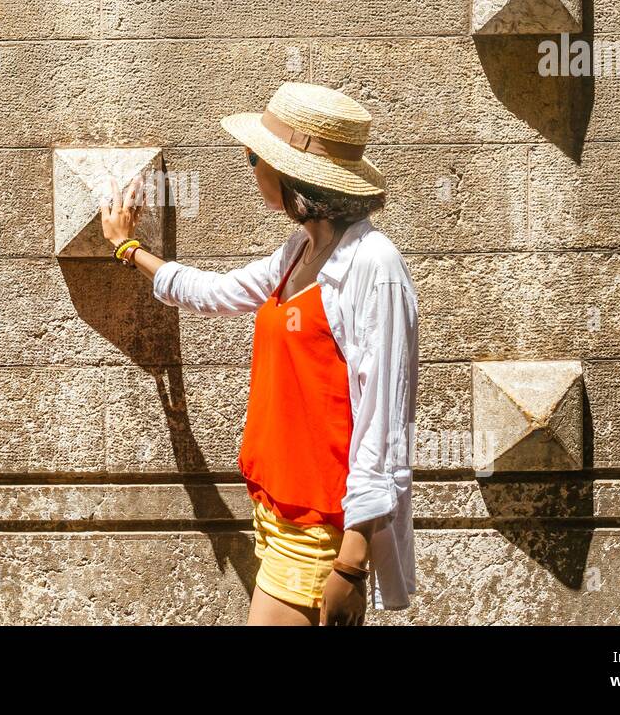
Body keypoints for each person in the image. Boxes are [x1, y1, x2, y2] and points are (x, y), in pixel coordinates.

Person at [100, 81, 418, 625]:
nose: (250, 167)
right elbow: (216, 292)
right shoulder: (303, 249)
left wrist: (352, 563)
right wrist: (130, 250)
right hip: (275, 508)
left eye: (255, 157)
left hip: (320, 524)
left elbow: (385, 420)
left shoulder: (373, 266)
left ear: (293, 173)